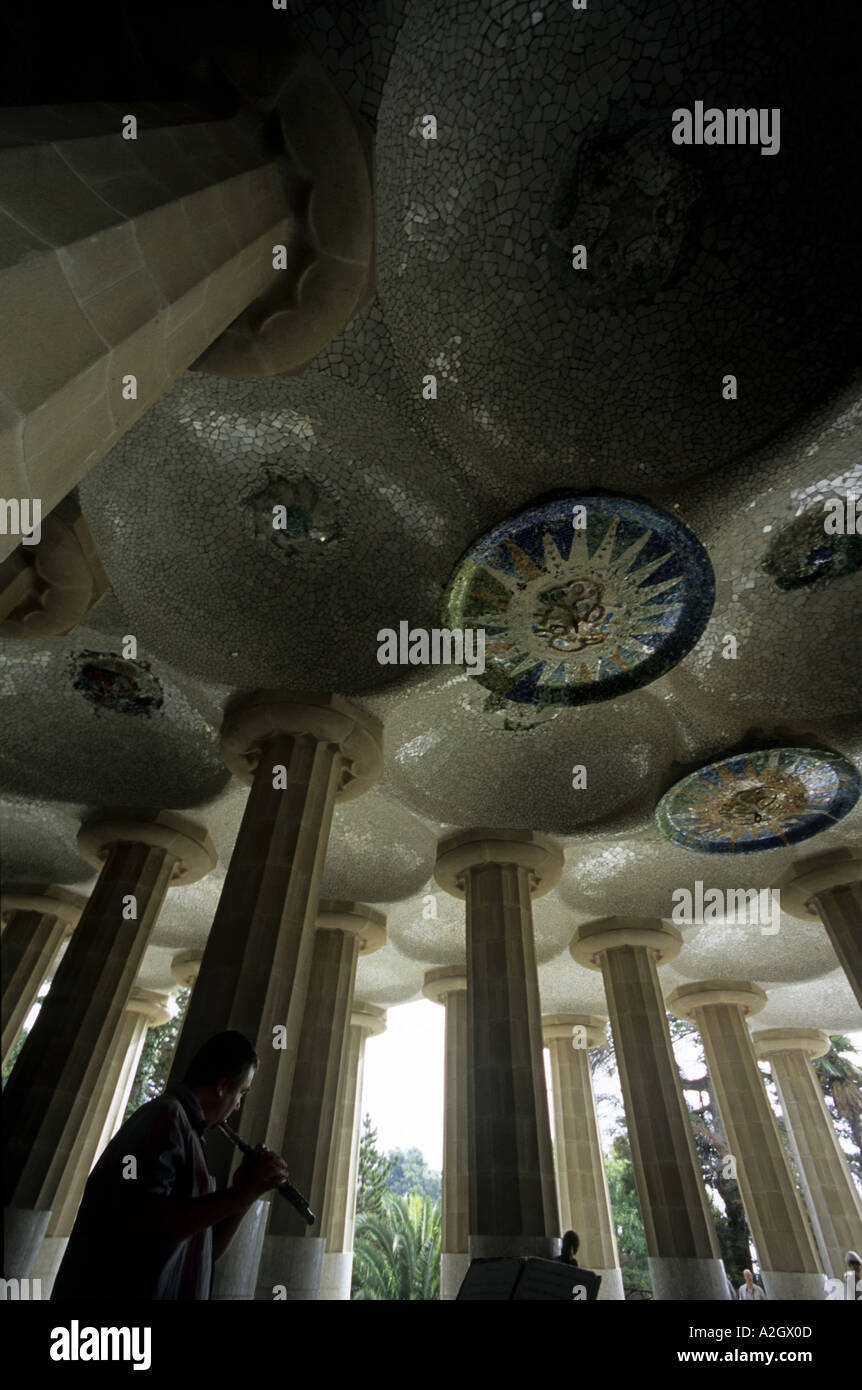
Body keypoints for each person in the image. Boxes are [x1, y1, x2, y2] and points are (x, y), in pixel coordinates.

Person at [51, 1030, 288, 1300]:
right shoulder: (165, 1119)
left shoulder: (189, 1135)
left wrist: (246, 1195)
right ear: (222, 1086)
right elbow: (147, 1228)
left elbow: (203, 1250)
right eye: (241, 1093)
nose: (237, 1107)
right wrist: (237, 1196)